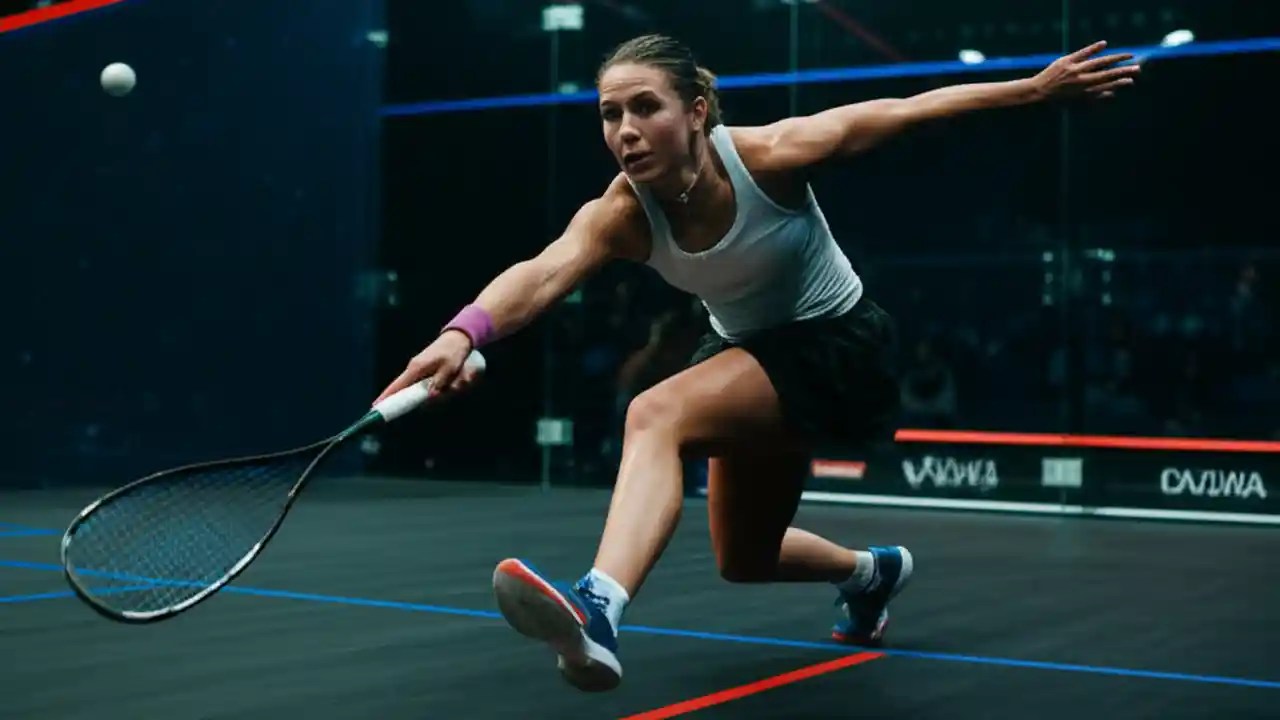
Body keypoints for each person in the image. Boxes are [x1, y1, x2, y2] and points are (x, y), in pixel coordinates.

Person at [373, 34, 1140, 691]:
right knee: (745, 557)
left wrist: (1034, 91)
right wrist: (460, 334)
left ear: (696, 110)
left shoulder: (773, 155)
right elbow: (543, 271)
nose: (626, 130)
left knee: (654, 411)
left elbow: (907, 112)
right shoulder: (618, 213)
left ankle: (599, 606)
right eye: (610, 113)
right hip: (746, 353)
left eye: (646, 107)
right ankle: (871, 573)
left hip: (837, 346)